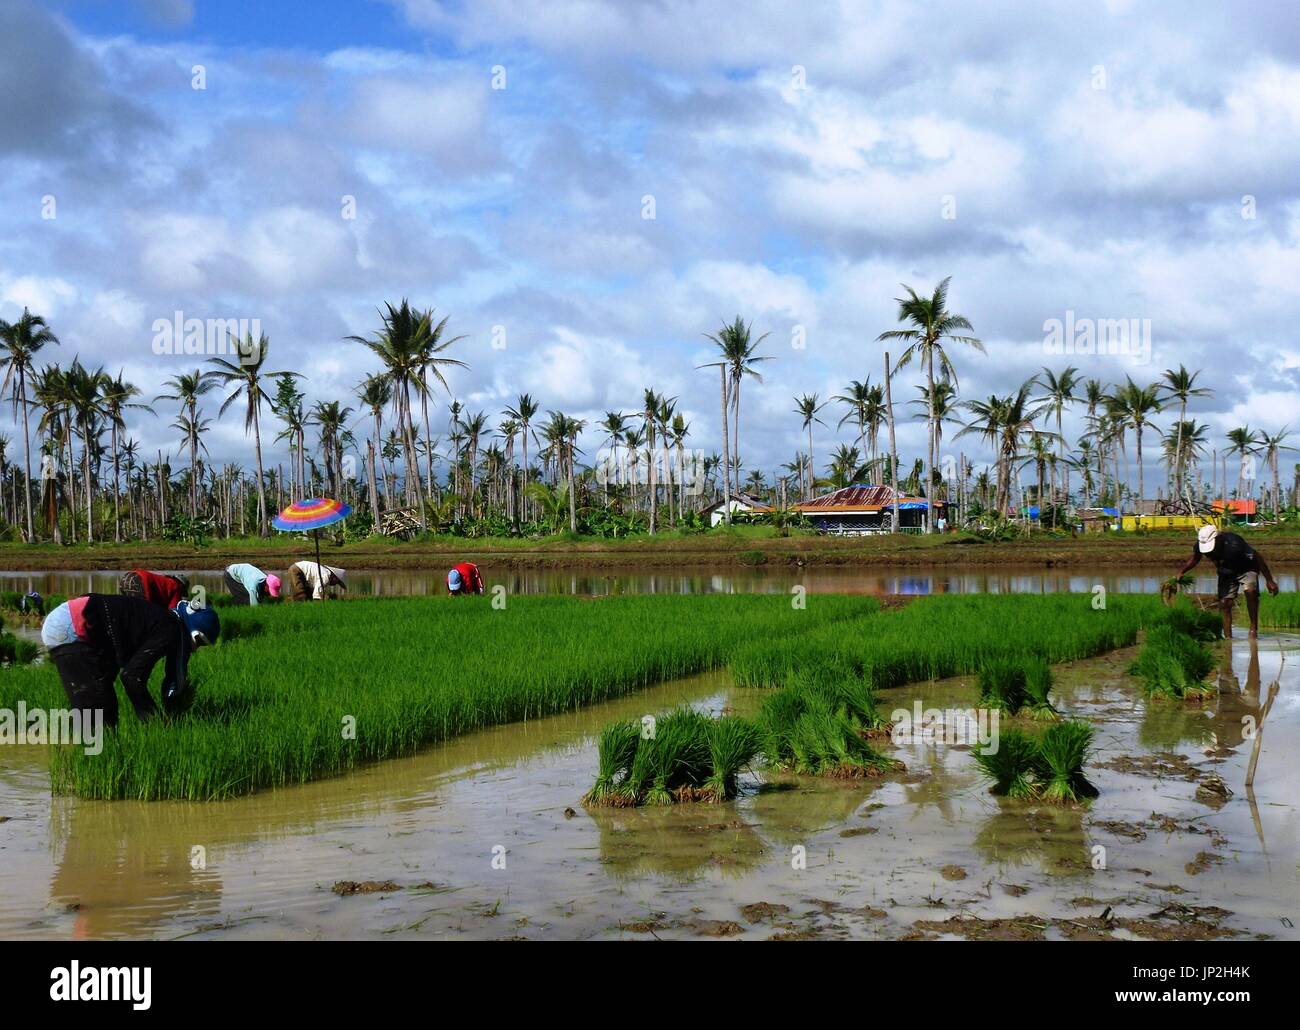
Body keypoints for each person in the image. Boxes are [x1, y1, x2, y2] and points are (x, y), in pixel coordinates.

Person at [41, 594, 219, 727]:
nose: (196, 649)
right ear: (194, 633)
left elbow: (133, 672)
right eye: (200, 643)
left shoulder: (159, 621)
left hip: (73, 621)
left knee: (103, 709)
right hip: (72, 626)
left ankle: (93, 758)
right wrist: (153, 721)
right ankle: (89, 762)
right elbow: (132, 677)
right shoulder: (169, 629)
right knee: (96, 713)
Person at [1177, 524, 1279, 639]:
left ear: (1218, 538)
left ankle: (1253, 628)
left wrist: (1269, 580)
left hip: (1247, 567)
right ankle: (1228, 638)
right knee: (1224, 603)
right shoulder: (1200, 546)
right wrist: (1182, 572)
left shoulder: (1234, 544)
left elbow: (1257, 557)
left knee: (1250, 592)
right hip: (1226, 571)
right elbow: (1195, 558)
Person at [118, 569, 189, 610]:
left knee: (129, 608)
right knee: (143, 613)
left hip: (127, 577)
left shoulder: (163, 581)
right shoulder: (176, 586)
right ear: (181, 585)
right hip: (140, 580)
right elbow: (173, 611)